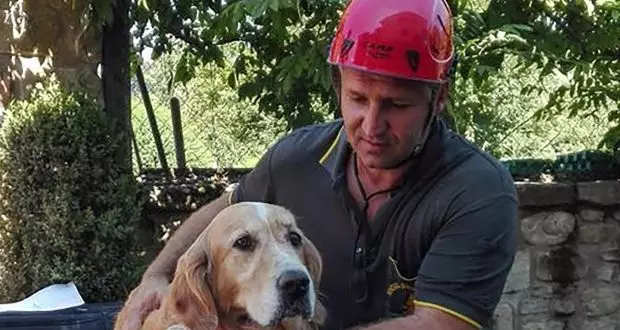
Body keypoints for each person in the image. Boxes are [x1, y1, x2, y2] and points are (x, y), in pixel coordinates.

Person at [118, 0, 518, 329]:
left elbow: (440, 326)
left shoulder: (477, 190)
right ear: (339, 85)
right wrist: (157, 274)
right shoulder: (295, 159)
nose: (372, 125)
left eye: (397, 105)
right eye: (358, 98)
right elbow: (225, 212)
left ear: (439, 97)